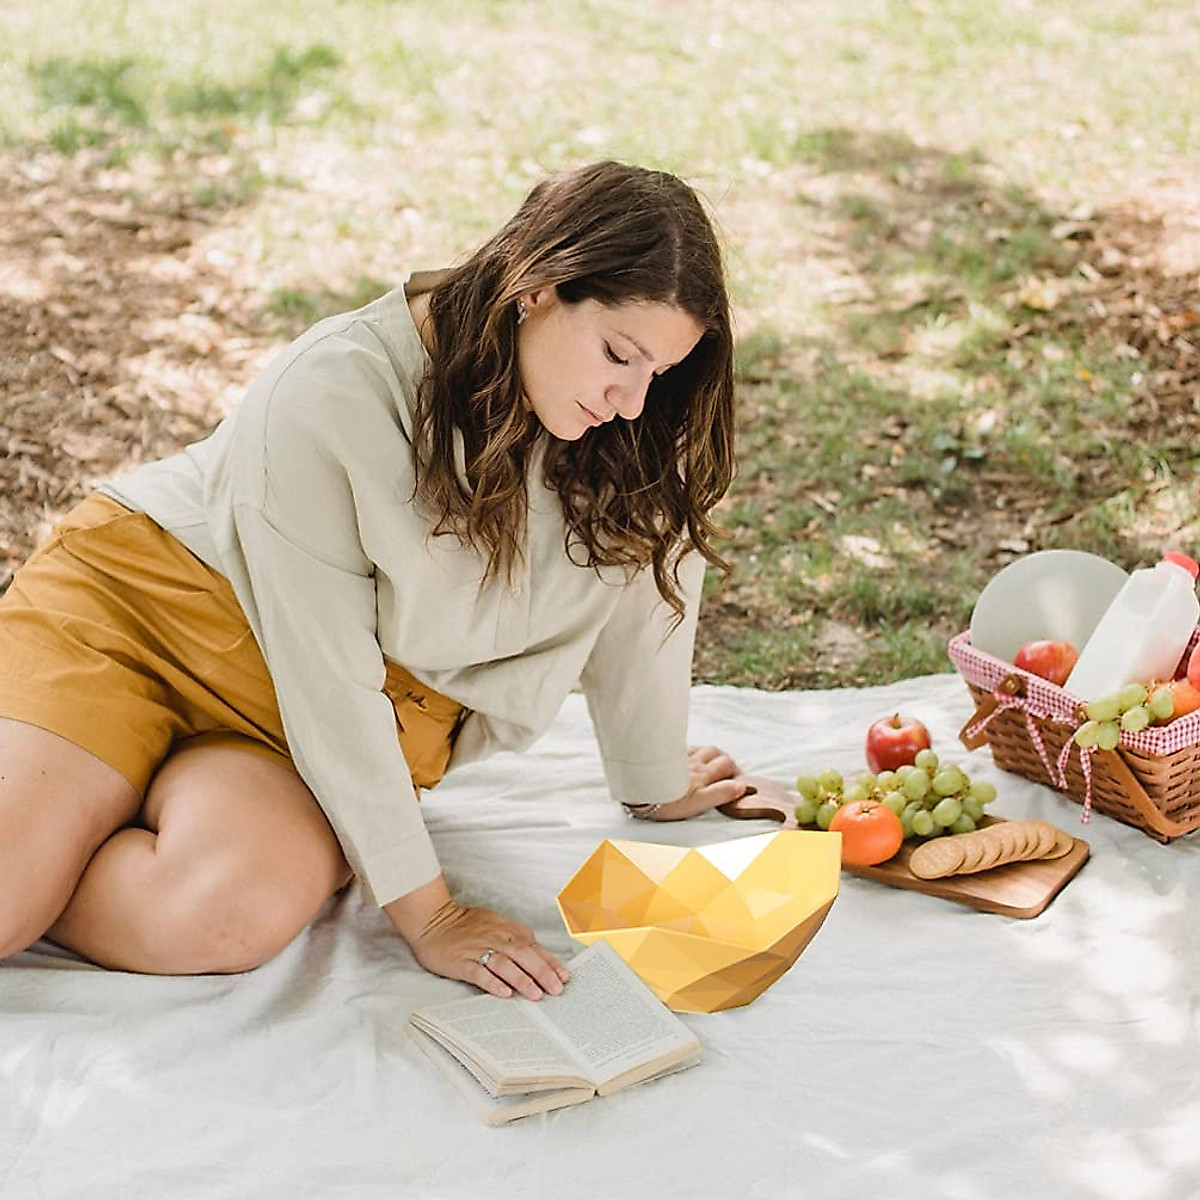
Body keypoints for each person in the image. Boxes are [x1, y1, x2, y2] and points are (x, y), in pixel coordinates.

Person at [0, 160, 784, 1000]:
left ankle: (71, 821)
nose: (631, 399)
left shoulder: (630, 425)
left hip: (299, 729)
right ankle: (51, 831)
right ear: (538, 286)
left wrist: (654, 781)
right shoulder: (335, 387)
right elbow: (326, 672)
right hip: (144, 615)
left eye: (657, 373)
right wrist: (432, 915)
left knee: (224, 916)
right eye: (618, 355)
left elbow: (645, 591)